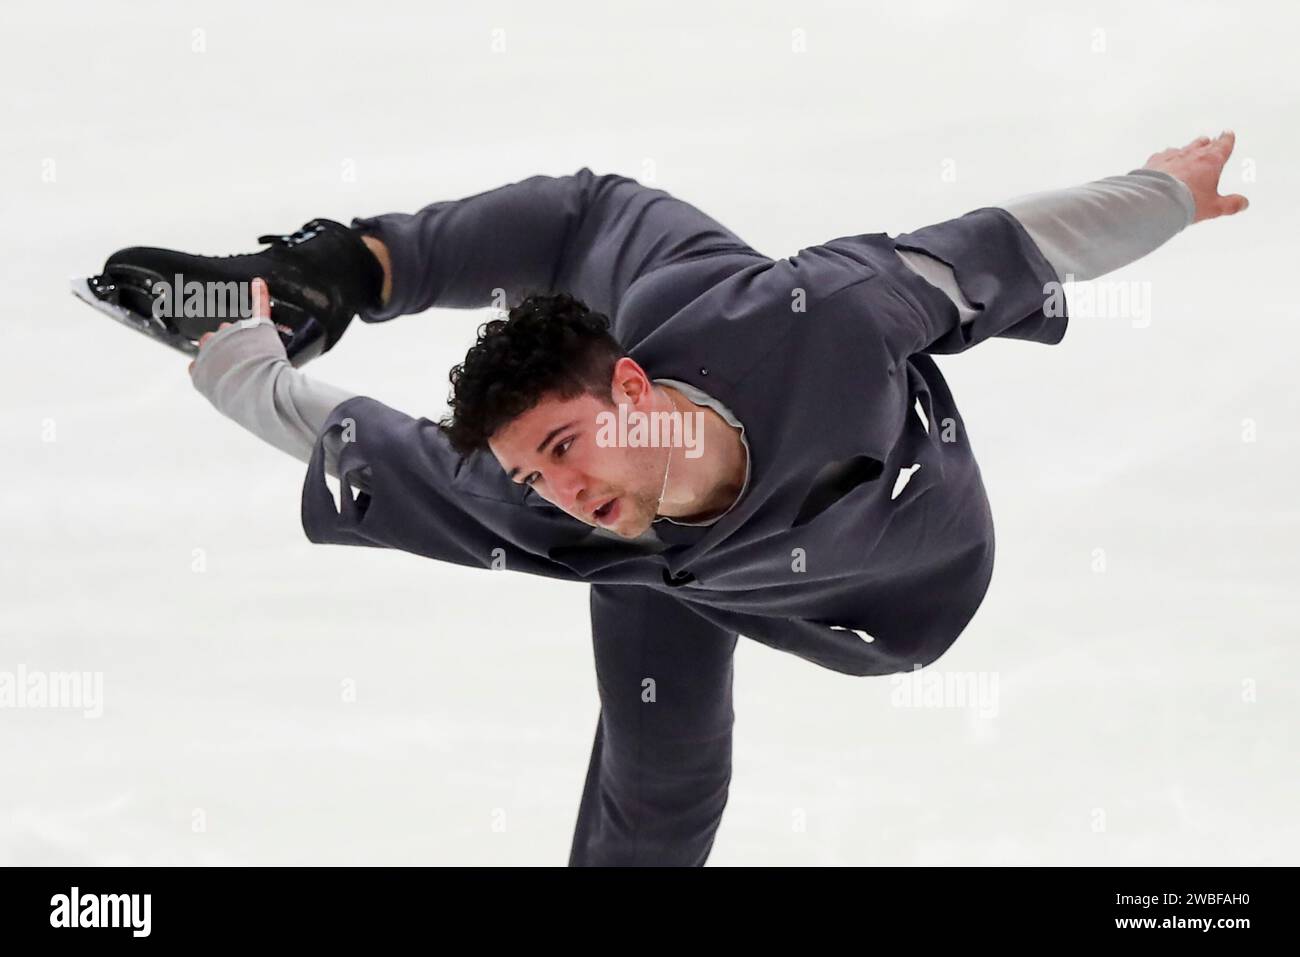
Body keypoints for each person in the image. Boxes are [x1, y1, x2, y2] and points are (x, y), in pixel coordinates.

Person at [114, 132, 1246, 865]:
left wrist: (1167, 195)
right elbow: (351, 440)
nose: (560, 489)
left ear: (633, 383)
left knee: (598, 229)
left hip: (896, 575)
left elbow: (1017, 245)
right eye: (528, 474)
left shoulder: (816, 318)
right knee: (660, 781)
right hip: (672, 576)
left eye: (560, 445)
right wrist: (258, 345)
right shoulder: (560, 514)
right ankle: (339, 271)